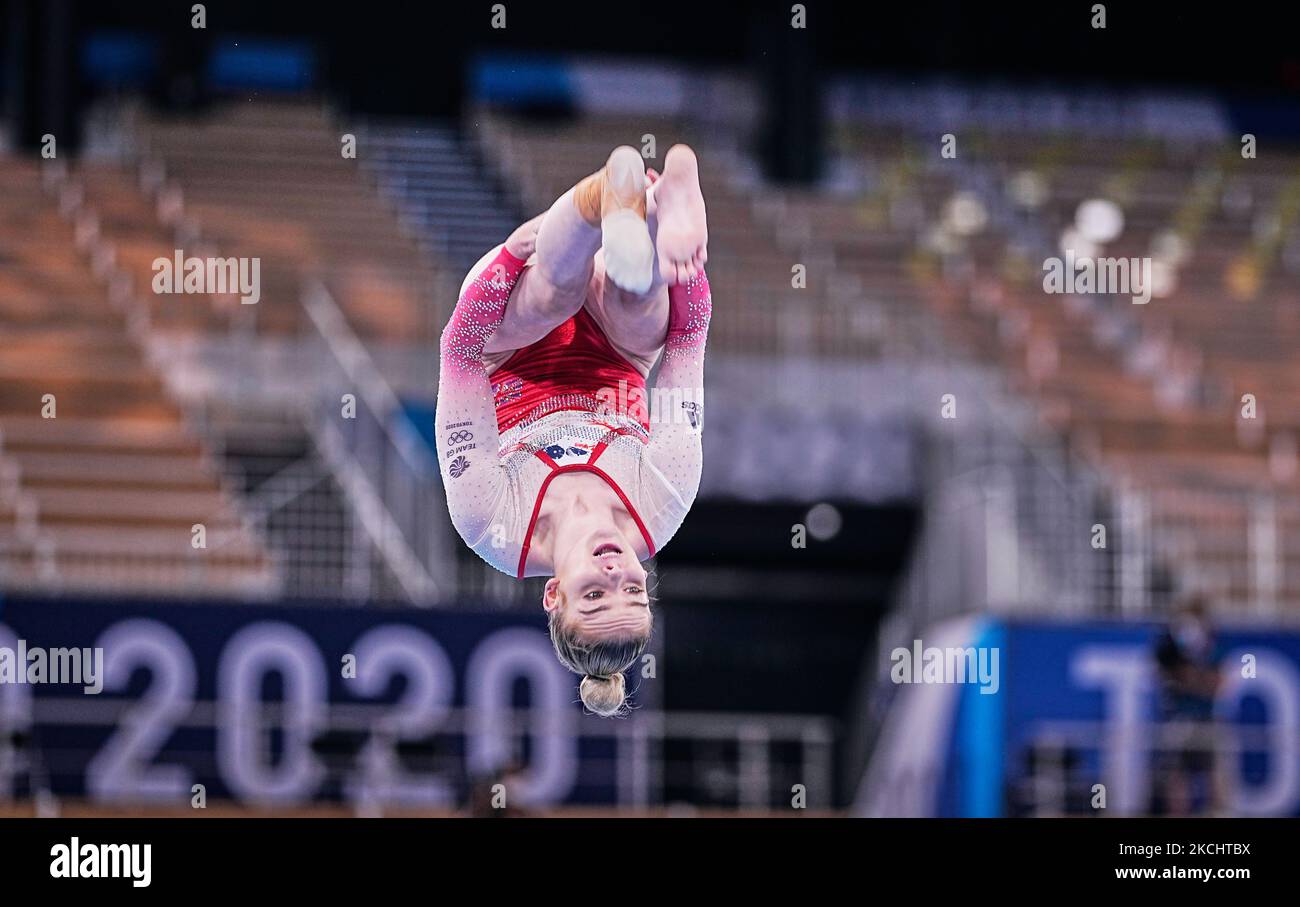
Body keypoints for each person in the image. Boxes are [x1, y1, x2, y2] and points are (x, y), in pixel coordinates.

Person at [436, 144, 711, 716]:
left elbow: (459, 351)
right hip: (617, 350)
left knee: (551, 291)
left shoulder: (488, 521)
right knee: (638, 301)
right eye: (633, 590)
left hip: (506, 345)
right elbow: (686, 341)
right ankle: (650, 217)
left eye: (594, 594)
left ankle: (610, 199)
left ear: (553, 595)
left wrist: (508, 261)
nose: (615, 574)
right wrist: (688, 270)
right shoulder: (664, 499)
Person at [1153, 595, 1226, 815]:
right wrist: (1188, 678)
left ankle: (1218, 812)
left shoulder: (1214, 646)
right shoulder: (1171, 643)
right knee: (1176, 772)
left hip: (1207, 719)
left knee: (1214, 769)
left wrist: (1194, 680)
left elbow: (1221, 683)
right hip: (1179, 718)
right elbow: (1162, 674)